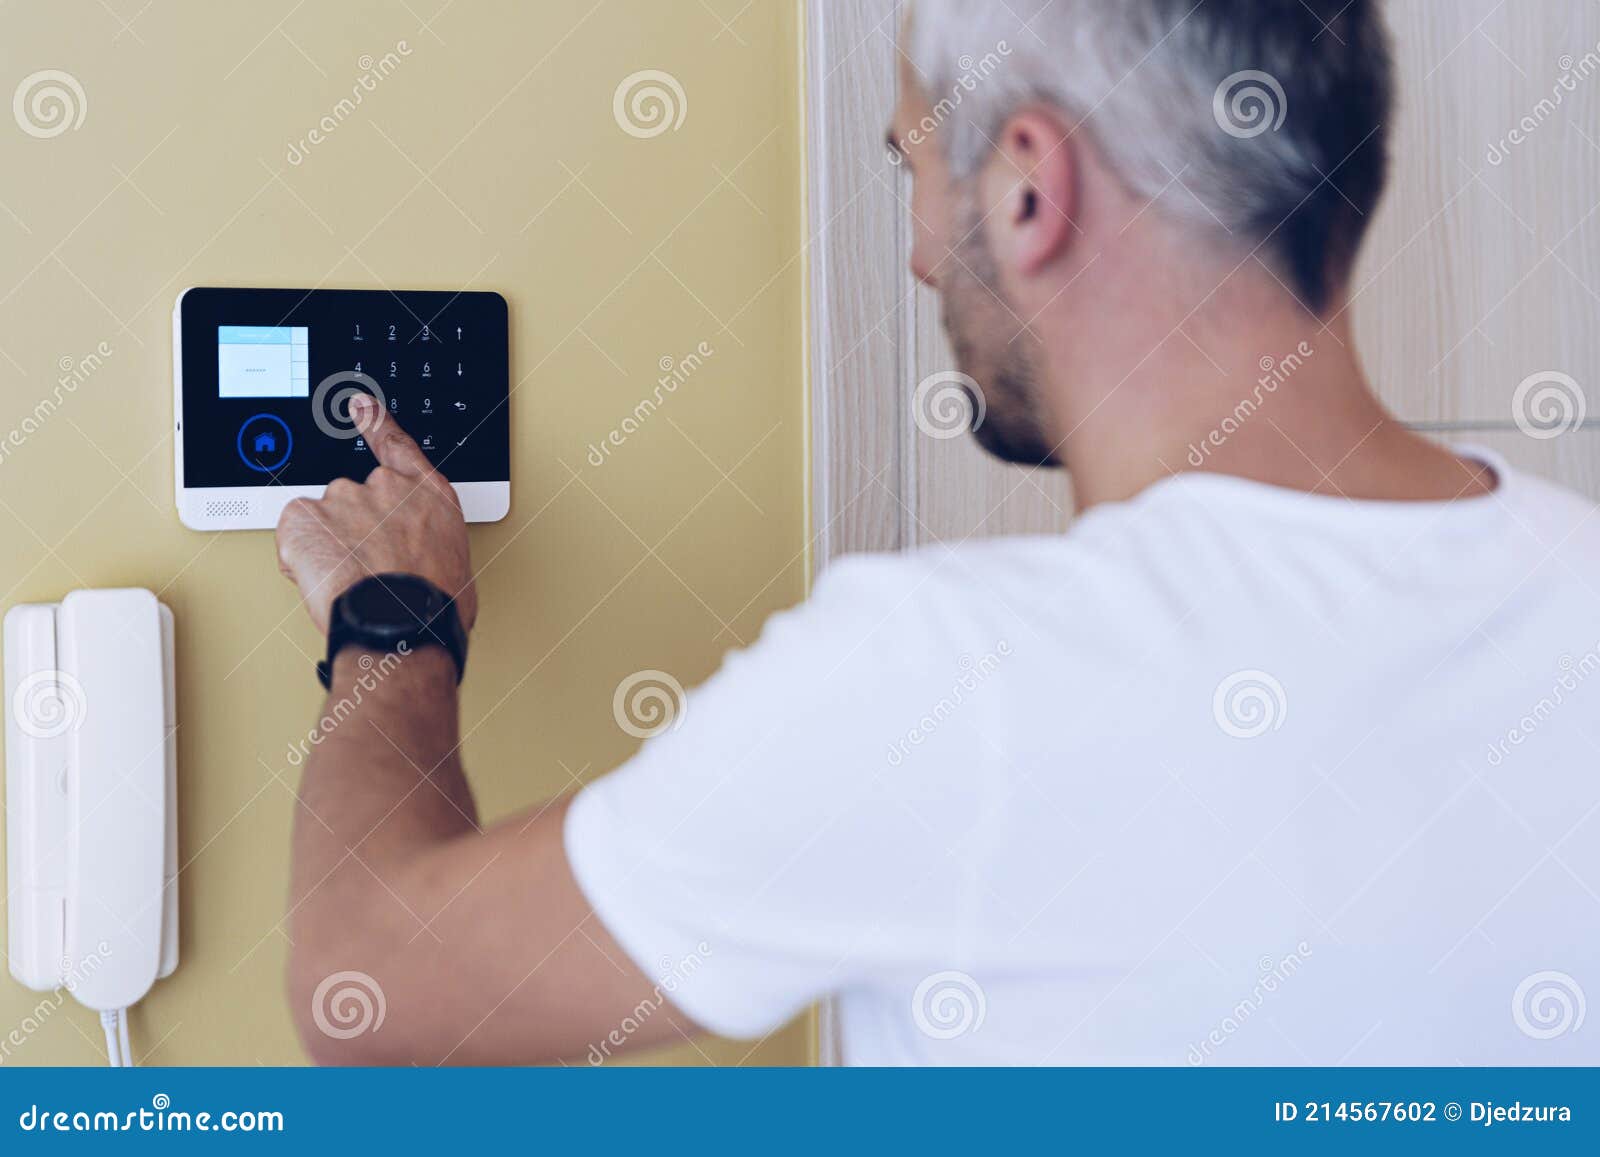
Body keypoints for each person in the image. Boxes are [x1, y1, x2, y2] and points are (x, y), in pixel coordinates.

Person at [275, 0, 1599, 1065]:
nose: (916, 250)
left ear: (1028, 187)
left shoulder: (953, 677)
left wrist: (395, 619)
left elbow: (366, 987)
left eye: (915, 163)